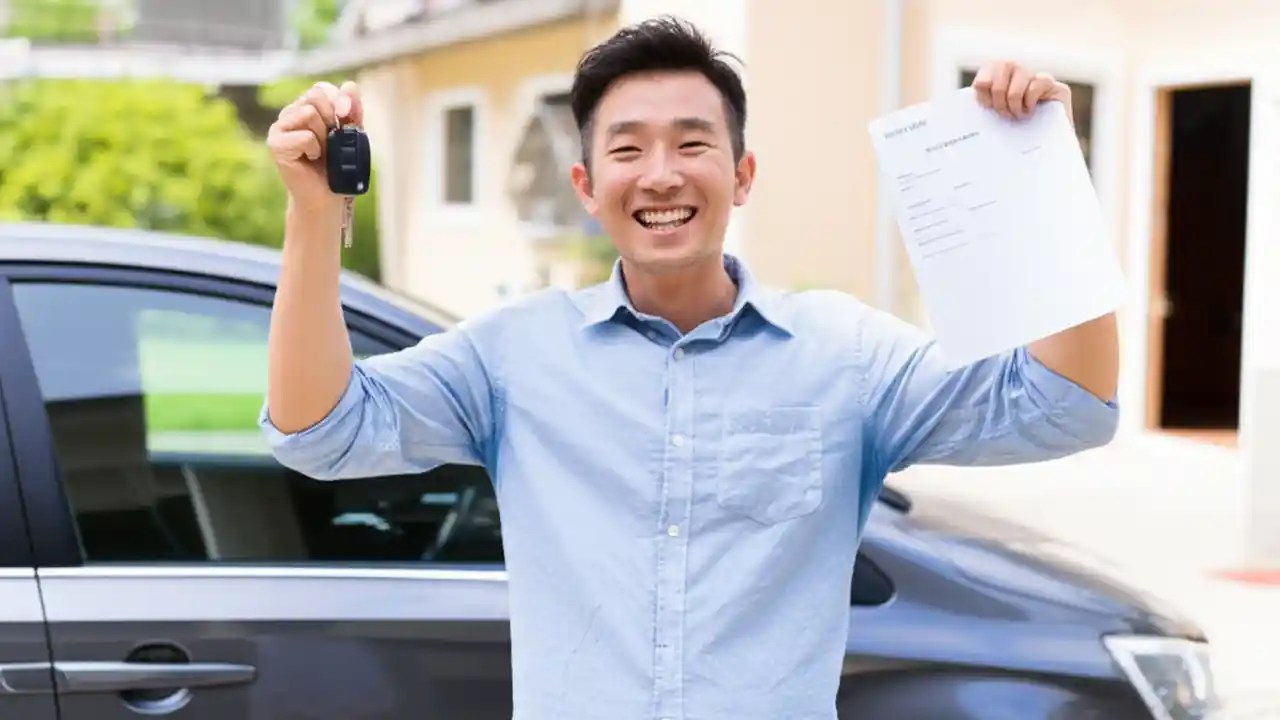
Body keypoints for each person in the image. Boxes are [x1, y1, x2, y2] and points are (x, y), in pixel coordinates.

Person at [260, 15, 1119, 720]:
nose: (661, 174)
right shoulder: (510, 356)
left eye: (692, 144)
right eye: (627, 150)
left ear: (742, 175)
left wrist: (1043, 182)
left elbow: (1066, 405)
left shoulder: (845, 354)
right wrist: (312, 215)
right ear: (588, 185)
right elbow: (322, 431)